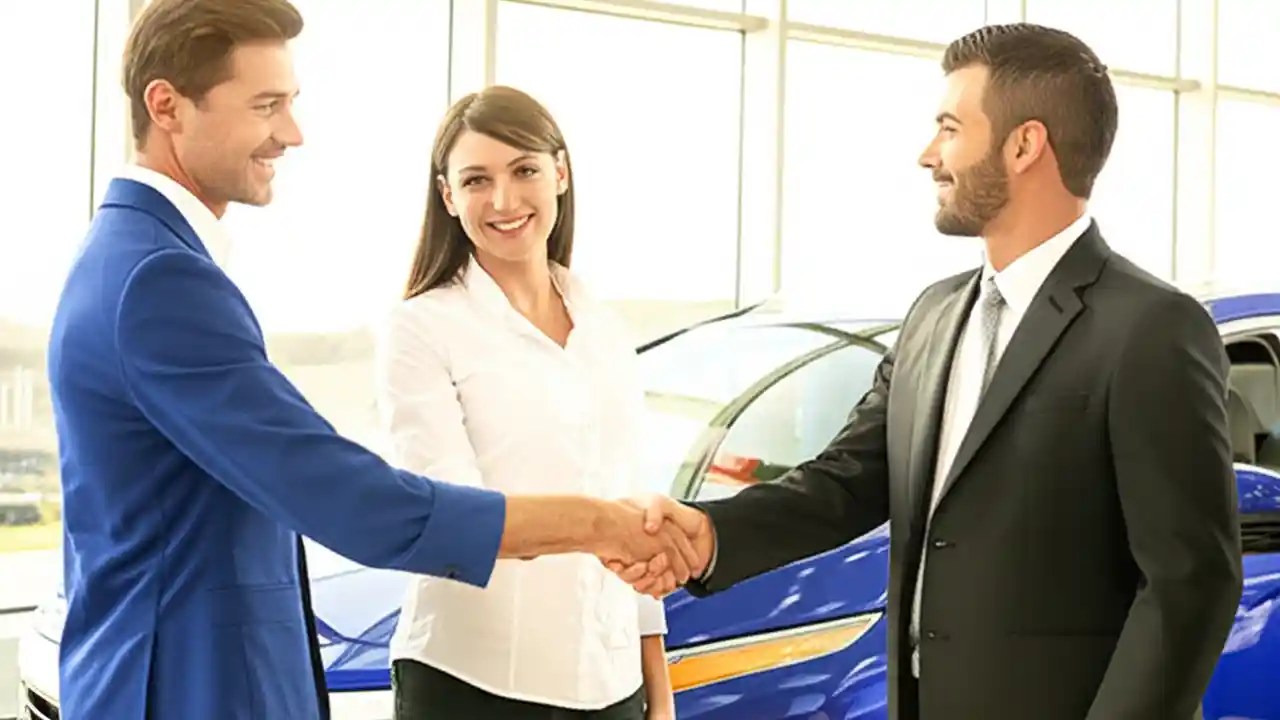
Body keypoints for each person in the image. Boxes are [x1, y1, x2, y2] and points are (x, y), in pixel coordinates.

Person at [45, 2, 696, 718]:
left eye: (290, 104)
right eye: (267, 105)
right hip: (188, 688)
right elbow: (354, 501)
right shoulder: (159, 280)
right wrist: (600, 524)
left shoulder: (140, 262)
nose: (291, 134)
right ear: (166, 106)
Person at [615, 22, 1243, 720]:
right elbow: (848, 482)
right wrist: (711, 535)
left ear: (1024, 144)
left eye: (949, 127)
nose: (927, 155)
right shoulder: (934, 316)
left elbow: (1191, 583)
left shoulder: (1151, 328)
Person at [373, 85, 677, 720]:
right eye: (477, 180)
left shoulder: (604, 325)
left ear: (560, 173)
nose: (504, 200)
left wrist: (658, 686)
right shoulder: (420, 329)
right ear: (448, 196)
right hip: (475, 681)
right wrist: (600, 525)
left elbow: (633, 507)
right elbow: (456, 516)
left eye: (525, 170)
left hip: (612, 680)